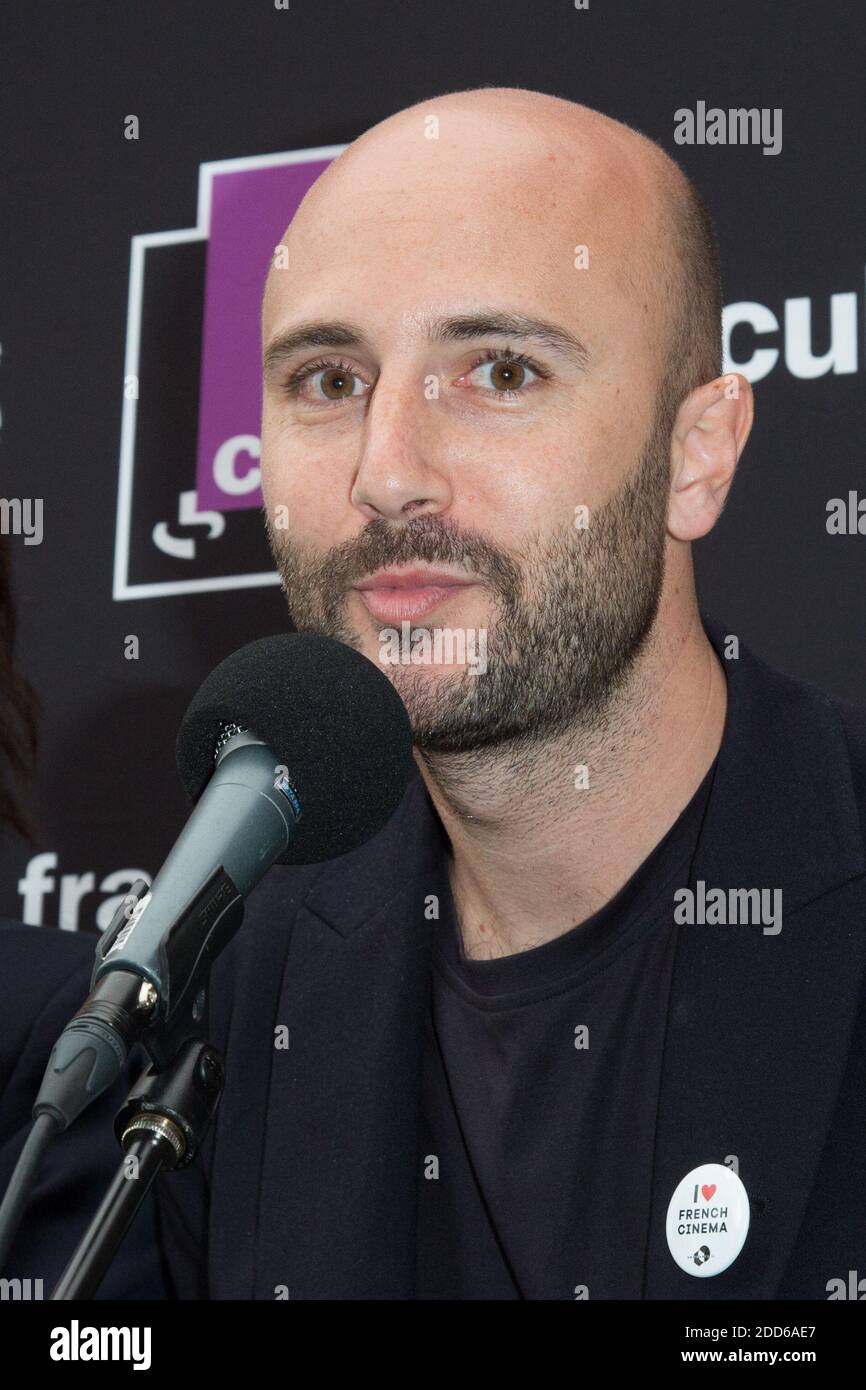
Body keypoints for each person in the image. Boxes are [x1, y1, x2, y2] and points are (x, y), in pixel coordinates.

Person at [3, 86, 866, 1300]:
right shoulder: (246, 990)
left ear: (696, 455)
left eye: (499, 369)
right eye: (325, 381)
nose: (385, 470)